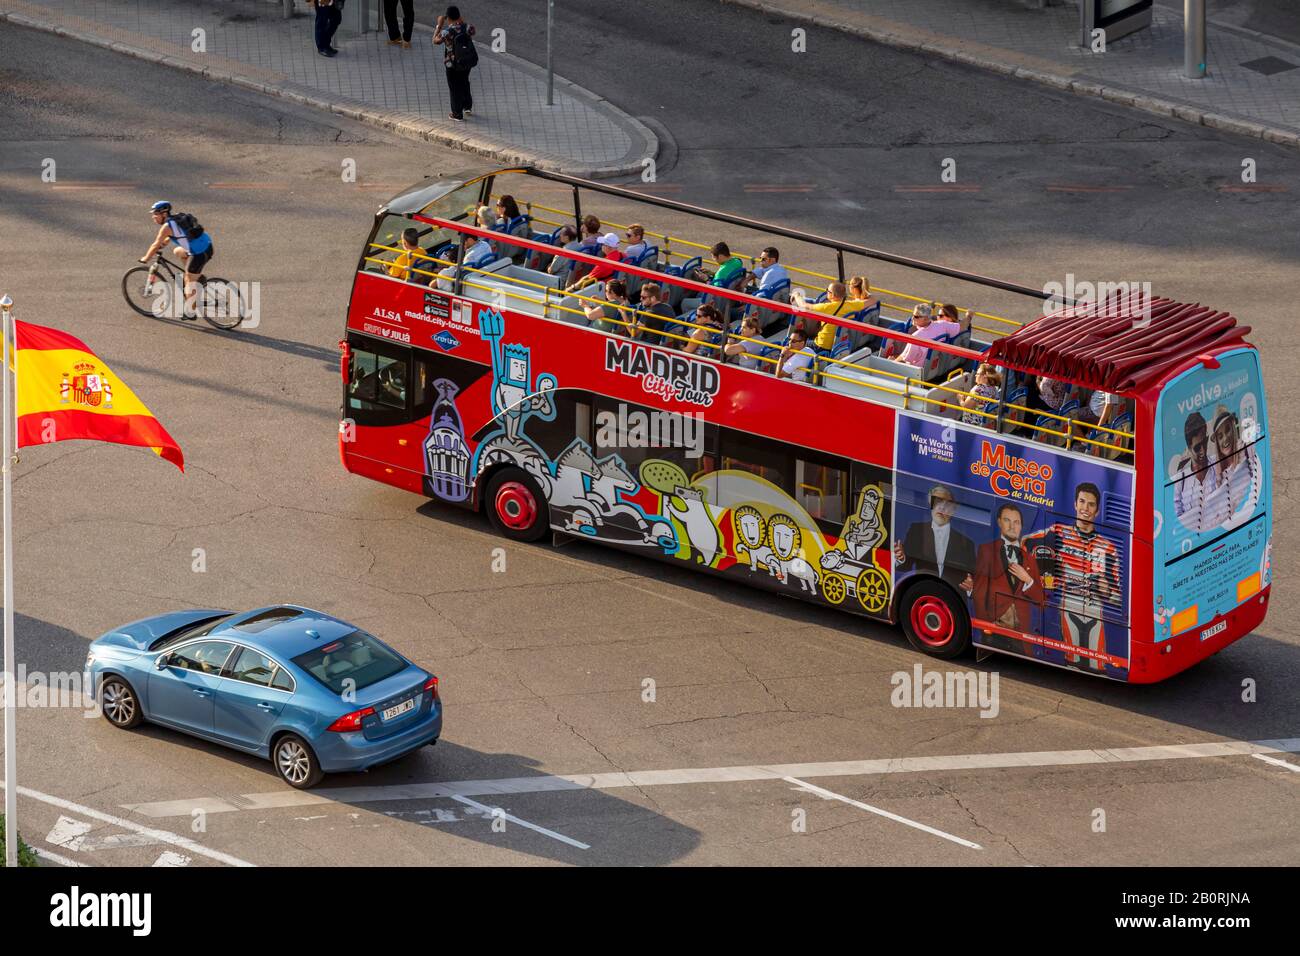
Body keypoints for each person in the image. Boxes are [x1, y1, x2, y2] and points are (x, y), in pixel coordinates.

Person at [1023, 482, 1121, 672]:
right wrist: (1040, 573)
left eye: (1091, 504)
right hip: (1068, 606)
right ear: (1075, 504)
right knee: (1072, 660)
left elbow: (1118, 598)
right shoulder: (1058, 532)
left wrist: (1106, 589)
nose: (1085, 508)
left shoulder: (1108, 547)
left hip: (1095, 611)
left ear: (1097, 510)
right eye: (1082, 502)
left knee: (1097, 664)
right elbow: (1026, 543)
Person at [972, 502, 1045, 634]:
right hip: (994, 630)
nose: (1012, 526)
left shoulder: (1030, 559)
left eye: (1016, 522)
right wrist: (985, 626)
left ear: (1021, 526)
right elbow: (979, 593)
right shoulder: (987, 550)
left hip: (1022, 636)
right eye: (1007, 520)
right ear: (999, 522)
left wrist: (1028, 579)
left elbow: (1040, 599)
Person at [893, 484, 976, 594]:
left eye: (947, 504)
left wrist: (972, 587)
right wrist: (901, 557)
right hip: (922, 592)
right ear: (930, 504)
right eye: (937, 502)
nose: (942, 507)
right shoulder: (917, 530)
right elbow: (906, 566)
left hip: (953, 599)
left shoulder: (967, 543)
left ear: (953, 510)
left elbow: (974, 578)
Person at [140, 200, 214, 319]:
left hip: (199, 253)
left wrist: (146, 258)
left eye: (155, 214)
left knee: (188, 282)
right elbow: (179, 234)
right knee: (178, 251)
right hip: (206, 244)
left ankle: (191, 311)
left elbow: (155, 245)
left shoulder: (166, 227)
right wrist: (165, 242)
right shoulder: (177, 218)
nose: (153, 217)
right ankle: (197, 277)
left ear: (164, 214)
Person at [1205, 404, 1262, 527]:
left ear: (1233, 427)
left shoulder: (1247, 449)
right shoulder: (1215, 473)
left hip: (1250, 515)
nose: (1225, 439)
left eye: (1227, 430)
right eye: (1220, 436)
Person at [1172, 411, 1218, 532]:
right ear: (1188, 448)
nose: (1203, 450)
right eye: (1197, 447)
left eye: (1205, 442)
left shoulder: (1217, 466)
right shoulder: (1180, 480)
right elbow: (1178, 518)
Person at [435, 6, 477, 121]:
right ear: (459, 16)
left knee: (454, 87)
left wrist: (439, 25)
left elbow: (435, 41)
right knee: (464, 81)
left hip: (452, 64)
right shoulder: (467, 27)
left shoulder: (447, 32)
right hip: (466, 61)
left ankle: (457, 114)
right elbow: (473, 31)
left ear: (447, 18)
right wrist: (461, 21)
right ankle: (467, 106)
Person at [895, 303, 962, 367]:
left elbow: (906, 360)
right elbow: (961, 326)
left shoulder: (916, 336)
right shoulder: (943, 325)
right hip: (933, 369)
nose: (912, 318)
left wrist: (893, 362)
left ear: (926, 318)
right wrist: (969, 316)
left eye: (916, 316)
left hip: (915, 371)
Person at [809, 281, 867, 351]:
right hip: (837, 347)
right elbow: (873, 300)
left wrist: (797, 296)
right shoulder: (851, 305)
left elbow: (805, 306)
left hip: (821, 346)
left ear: (833, 295)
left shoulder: (826, 307)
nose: (826, 291)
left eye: (828, 290)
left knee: (799, 342)